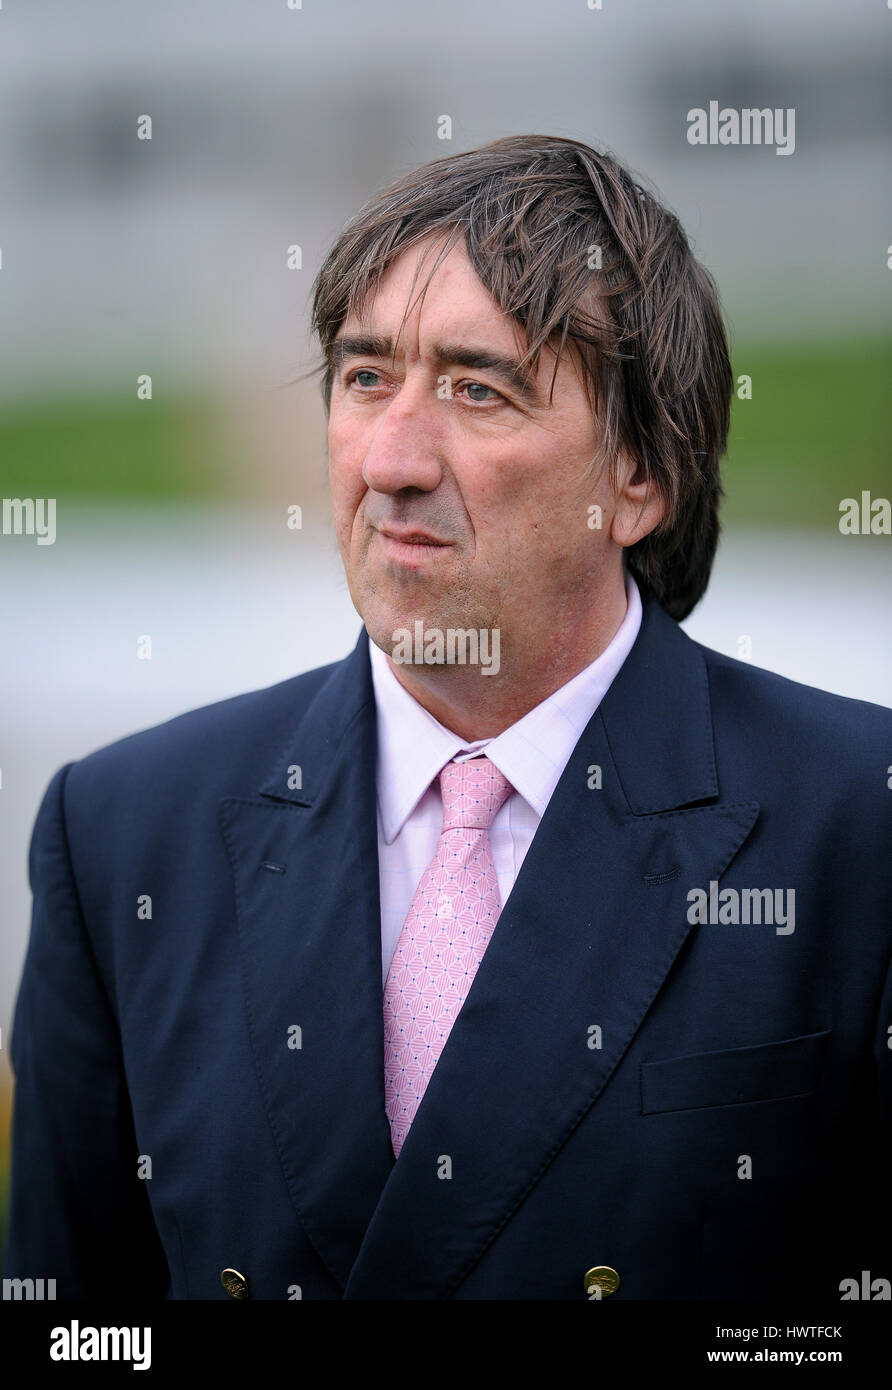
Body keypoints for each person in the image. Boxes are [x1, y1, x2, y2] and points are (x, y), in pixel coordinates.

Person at [4, 134, 890, 1301]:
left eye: (479, 388)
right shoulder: (121, 829)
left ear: (638, 477)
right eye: (367, 378)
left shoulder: (857, 825)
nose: (391, 457)